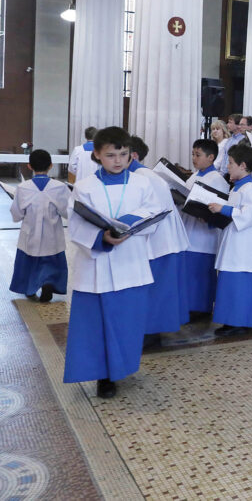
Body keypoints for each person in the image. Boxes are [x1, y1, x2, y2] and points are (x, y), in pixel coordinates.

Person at [64, 126, 162, 398]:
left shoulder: (142, 183)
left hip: (132, 264)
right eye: (110, 155)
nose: (118, 160)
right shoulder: (84, 187)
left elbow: (154, 214)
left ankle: (121, 368)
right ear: (97, 154)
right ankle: (103, 376)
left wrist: (131, 224)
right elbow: (76, 225)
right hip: (98, 268)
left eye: (123, 154)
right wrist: (102, 237)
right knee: (97, 325)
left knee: (126, 322)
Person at [129, 136, 191, 347]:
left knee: (157, 289)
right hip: (155, 239)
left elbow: (152, 212)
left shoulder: (144, 177)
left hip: (160, 240)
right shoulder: (139, 175)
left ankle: (151, 333)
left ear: (133, 155)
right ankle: (147, 330)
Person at [208, 144, 252, 336]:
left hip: (242, 250)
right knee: (230, 285)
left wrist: (222, 209)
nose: (227, 166)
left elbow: (247, 216)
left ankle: (240, 322)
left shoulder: (249, 189)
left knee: (239, 286)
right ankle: (232, 321)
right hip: (233, 244)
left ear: (242, 165)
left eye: (230, 163)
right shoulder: (237, 188)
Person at [9, 149, 68, 302]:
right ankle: (48, 283)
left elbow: (17, 214)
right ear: (51, 165)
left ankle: (30, 288)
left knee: (29, 261)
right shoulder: (59, 187)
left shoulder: (23, 187)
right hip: (52, 235)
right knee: (52, 261)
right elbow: (67, 211)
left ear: (29, 166)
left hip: (30, 234)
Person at [180, 139, 231, 315]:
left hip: (204, 235)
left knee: (200, 273)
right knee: (189, 272)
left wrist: (208, 216)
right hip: (189, 229)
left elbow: (221, 210)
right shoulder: (194, 176)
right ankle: (189, 306)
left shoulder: (218, 180)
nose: (194, 158)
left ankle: (201, 308)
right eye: (193, 154)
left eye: (198, 155)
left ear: (211, 157)